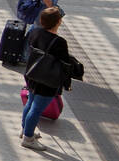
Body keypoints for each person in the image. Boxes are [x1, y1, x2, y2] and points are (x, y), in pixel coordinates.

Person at [21, 8, 82, 151]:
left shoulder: (35, 32)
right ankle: (28, 138)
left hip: (32, 74)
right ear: (58, 22)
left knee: (30, 103)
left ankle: (25, 130)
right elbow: (65, 62)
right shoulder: (59, 42)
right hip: (47, 80)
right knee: (37, 109)